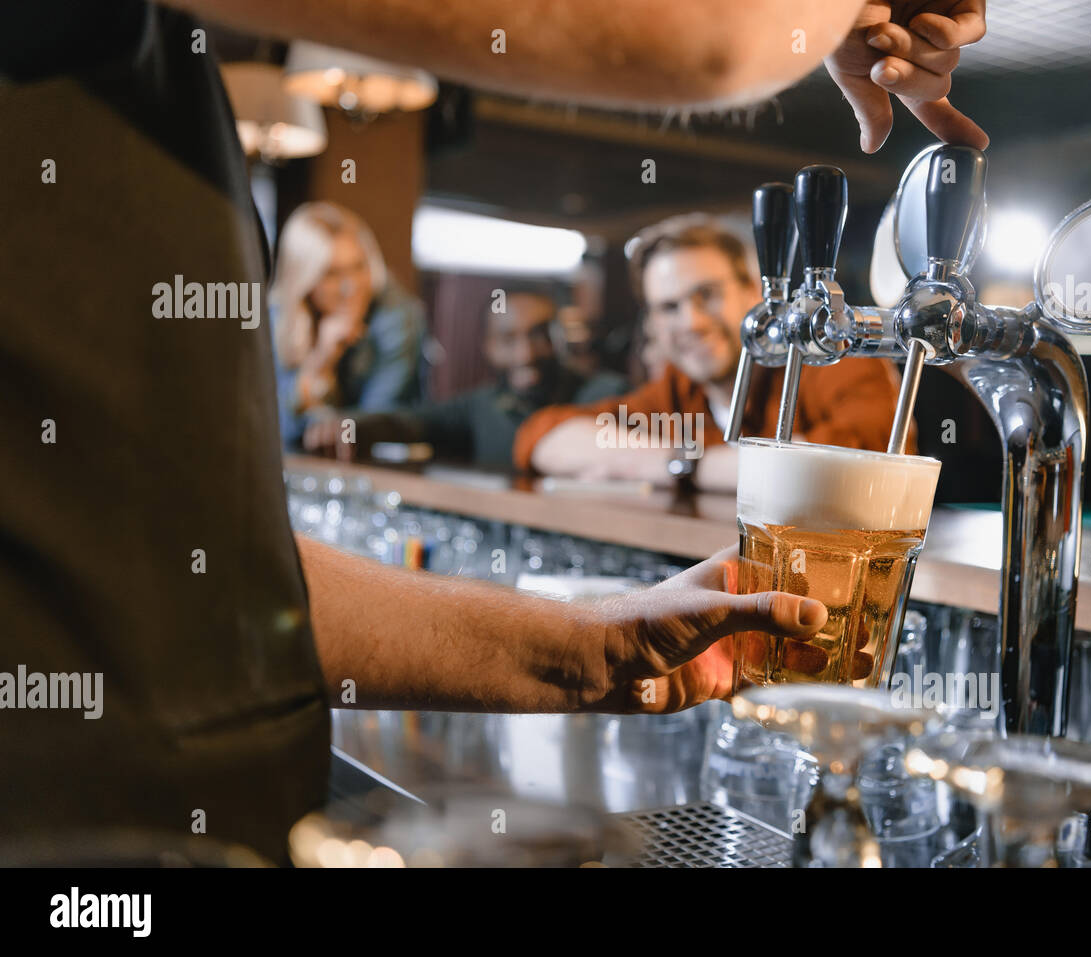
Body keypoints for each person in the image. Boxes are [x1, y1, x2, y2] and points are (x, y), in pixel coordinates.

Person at [1, 0, 986, 863]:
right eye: (666, 306)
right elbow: (709, 34)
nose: (686, 326)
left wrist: (588, 646)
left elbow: (210, 578)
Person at [516, 215, 916, 491]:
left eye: (706, 295)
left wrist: (687, 466)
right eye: (669, 308)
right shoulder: (677, 391)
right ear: (652, 323)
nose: (690, 323)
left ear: (755, 292)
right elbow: (543, 434)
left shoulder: (827, 360)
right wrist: (678, 465)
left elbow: (863, 464)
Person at [302, 289, 627, 467]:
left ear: (561, 339)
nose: (526, 354)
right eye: (508, 339)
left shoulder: (609, 394)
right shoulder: (480, 405)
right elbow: (411, 423)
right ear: (486, 346)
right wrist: (349, 425)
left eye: (539, 336)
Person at [271, 202, 427, 448]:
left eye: (358, 267)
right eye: (331, 274)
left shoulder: (397, 317)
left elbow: (373, 427)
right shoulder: (280, 315)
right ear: (304, 279)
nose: (350, 287)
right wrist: (321, 362)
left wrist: (314, 413)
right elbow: (274, 428)